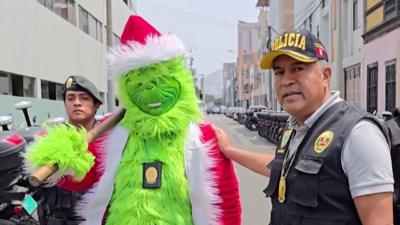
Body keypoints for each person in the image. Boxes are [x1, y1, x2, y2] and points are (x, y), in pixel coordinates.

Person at [213, 29, 394, 225]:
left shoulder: (358, 134)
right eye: (279, 72)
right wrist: (230, 151)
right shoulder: (296, 127)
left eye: (298, 69)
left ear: (325, 76)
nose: (286, 80)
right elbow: (284, 169)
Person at [45, 75, 102, 225]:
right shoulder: (52, 139)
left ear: (96, 105)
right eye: (70, 98)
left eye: (84, 98)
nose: (77, 103)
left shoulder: (108, 140)